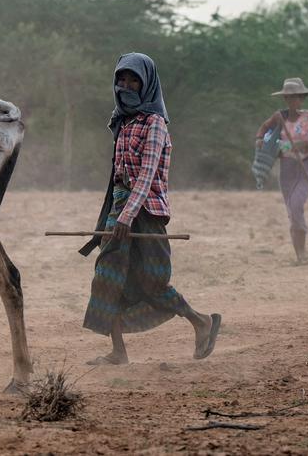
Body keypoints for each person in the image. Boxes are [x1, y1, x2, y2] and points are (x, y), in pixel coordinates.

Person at [80, 52, 220, 365]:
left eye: (134, 80)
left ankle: (201, 321)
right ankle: (118, 352)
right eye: (122, 79)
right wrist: (115, 214)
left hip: (146, 213)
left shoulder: (154, 123)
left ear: (147, 85)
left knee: (152, 281)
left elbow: (146, 175)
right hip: (120, 210)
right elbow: (117, 174)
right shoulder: (121, 121)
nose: (126, 86)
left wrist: (128, 215)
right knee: (108, 276)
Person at [255, 78, 308, 265]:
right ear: (285, 99)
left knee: (296, 204)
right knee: (292, 211)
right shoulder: (279, 117)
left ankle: (302, 251)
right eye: (288, 97)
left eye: (296, 97)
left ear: (302, 98)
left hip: (306, 168)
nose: (292, 100)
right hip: (287, 169)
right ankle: (300, 254)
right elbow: (264, 129)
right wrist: (260, 140)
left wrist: (306, 144)